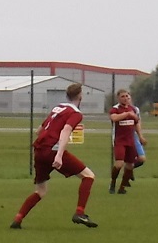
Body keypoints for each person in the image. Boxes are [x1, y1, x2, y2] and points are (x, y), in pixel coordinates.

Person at [10, 82, 98, 229]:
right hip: (52, 150)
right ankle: (80, 213)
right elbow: (66, 130)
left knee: (40, 191)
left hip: (39, 150)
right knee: (88, 176)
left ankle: (18, 219)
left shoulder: (58, 107)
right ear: (80, 96)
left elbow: (40, 130)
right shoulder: (76, 113)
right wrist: (58, 155)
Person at [108, 88, 146, 194]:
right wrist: (127, 114)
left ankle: (122, 188)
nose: (125, 98)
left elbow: (136, 123)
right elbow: (114, 118)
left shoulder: (134, 109)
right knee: (119, 164)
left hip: (131, 141)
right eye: (122, 96)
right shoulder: (115, 109)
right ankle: (113, 183)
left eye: (127, 96)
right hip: (119, 141)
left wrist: (140, 136)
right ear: (118, 98)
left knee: (130, 165)